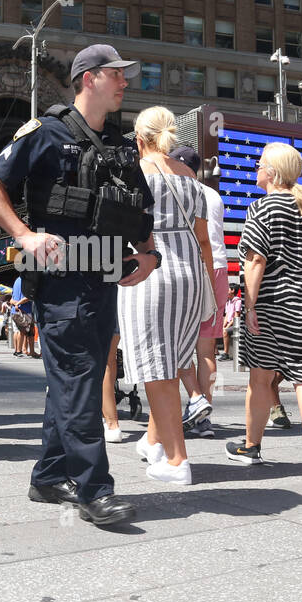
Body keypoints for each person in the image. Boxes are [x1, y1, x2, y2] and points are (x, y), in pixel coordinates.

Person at [0, 43, 159, 526]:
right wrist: (23, 235)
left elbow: (140, 210)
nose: (125, 82)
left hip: (104, 280)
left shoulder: (120, 144)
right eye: (116, 74)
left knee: (73, 382)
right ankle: (94, 490)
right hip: (61, 283)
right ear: (88, 78)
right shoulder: (45, 132)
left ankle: (48, 475)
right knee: (80, 382)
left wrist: (150, 253)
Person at [230, 142, 302, 482]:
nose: (256, 170)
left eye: (260, 164)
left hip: (272, 304)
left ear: (273, 172)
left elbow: (255, 261)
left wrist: (249, 306)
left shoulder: (261, 209)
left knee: (260, 376)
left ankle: (251, 447)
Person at [118, 107, 214, 486]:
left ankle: (177, 461)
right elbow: (204, 239)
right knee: (171, 364)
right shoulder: (190, 175)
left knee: (156, 370)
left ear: (139, 139)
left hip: (152, 271)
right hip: (191, 275)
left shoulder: (136, 172)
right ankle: (155, 443)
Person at [172, 145, 226, 440]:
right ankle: (204, 417)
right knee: (208, 350)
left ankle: (195, 401)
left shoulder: (179, 190)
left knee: (177, 343)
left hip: (193, 267)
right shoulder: (214, 195)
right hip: (218, 267)